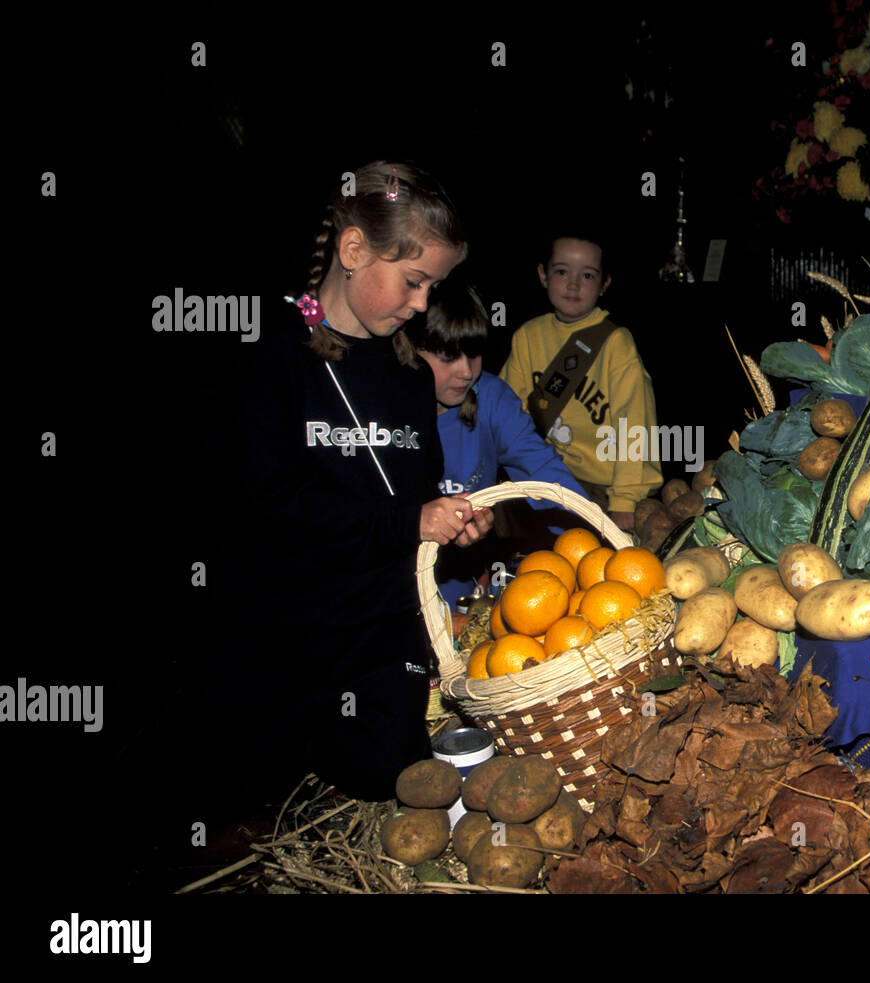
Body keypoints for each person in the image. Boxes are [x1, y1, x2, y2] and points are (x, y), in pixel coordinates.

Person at [236, 160, 492, 804]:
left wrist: (450, 523)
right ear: (354, 250)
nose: (423, 304)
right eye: (413, 281)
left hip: (383, 637)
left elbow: (414, 499)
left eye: (433, 285)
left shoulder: (409, 376)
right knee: (259, 803)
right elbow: (269, 510)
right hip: (285, 637)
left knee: (388, 788)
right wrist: (409, 523)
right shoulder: (271, 354)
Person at [405, 278, 590, 607]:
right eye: (448, 356)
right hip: (387, 592)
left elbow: (548, 477)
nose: (465, 371)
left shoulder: (490, 398)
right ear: (409, 347)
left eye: (473, 353)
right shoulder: (379, 409)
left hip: (460, 594)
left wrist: (594, 544)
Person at [500, 231, 662, 531]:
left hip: (607, 488)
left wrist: (625, 502)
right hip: (549, 479)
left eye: (587, 275)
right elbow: (504, 414)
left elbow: (634, 424)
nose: (573, 284)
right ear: (542, 275)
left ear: (604, 284)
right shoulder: (527, 337)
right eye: (561, 271)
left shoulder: (615, 342)